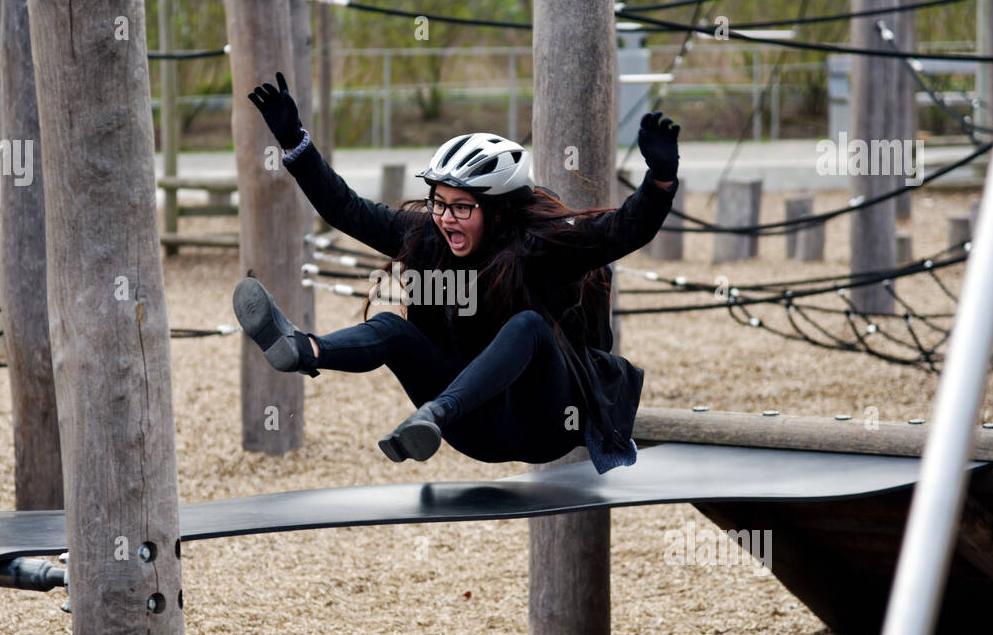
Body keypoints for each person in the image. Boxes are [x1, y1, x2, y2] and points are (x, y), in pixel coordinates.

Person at [235, 71, 680, 473]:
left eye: (462, 207)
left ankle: (436, 411)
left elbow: (623, 231)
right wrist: (295, 143)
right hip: (470, 428)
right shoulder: (427, 236)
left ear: (498, 211)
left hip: (545, 424)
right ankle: (304, 348)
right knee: (392, 326)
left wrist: (659, 181)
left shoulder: (542, 245)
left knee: (527, 326)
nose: (446, 218)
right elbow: (346, 210)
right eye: (439, 203)